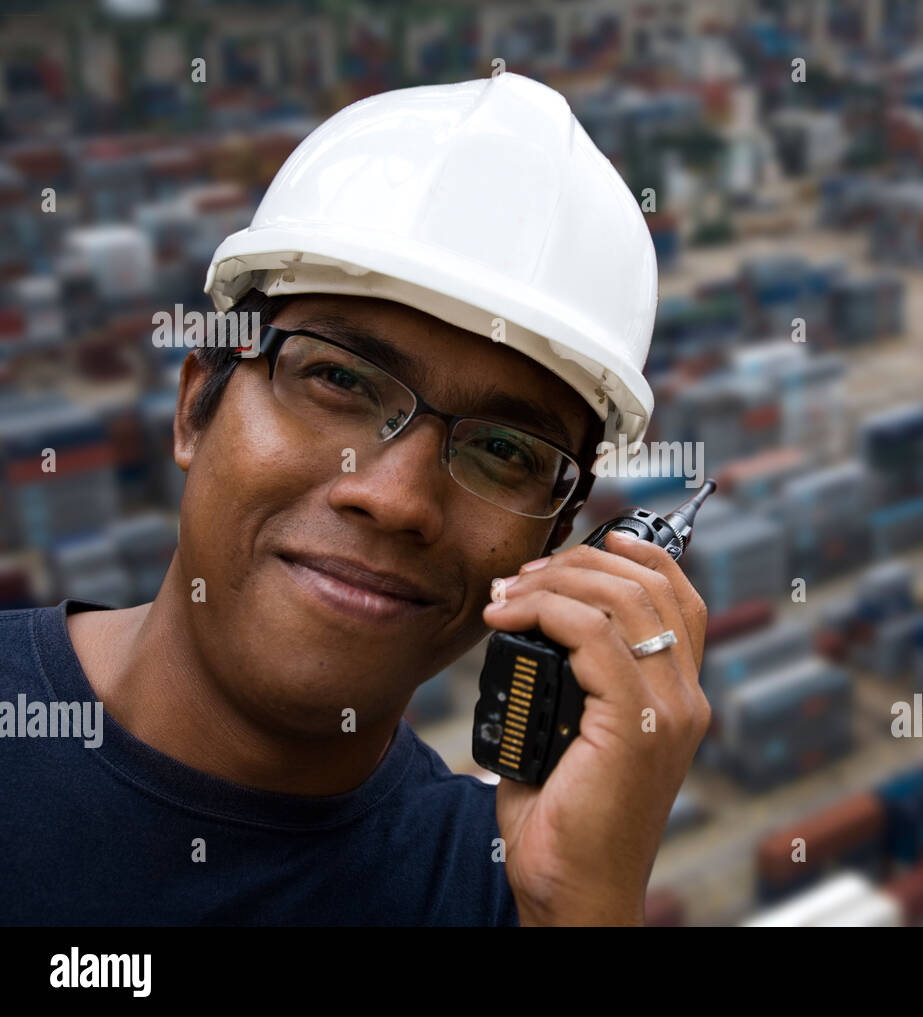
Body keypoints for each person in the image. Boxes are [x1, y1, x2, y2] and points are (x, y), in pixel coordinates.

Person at [0, 73, 709, 926]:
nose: (396, 498)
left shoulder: (513, 889)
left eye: (502, 449)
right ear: (197, 406)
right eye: (337, 378)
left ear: (552, 540)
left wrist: (585, 907)